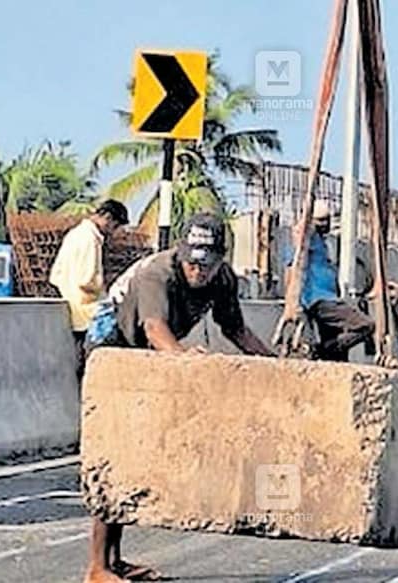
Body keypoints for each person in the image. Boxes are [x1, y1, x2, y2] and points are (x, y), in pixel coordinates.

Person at [81, 213, 273, 583]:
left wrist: (273, 366)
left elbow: (234, 328)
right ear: (181, 253)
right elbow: (154, 329)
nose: (197, 271)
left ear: (220, 261)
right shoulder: (158, 273)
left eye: (207, 264)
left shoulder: (223, 280)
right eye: (192, 262)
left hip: (147, 358)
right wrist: (183, 361)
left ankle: (115, 560)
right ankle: (97, 567)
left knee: (132, 460)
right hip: (110, 353)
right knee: (112, 456)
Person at [49, 200, 129, 380]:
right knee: (93, 365)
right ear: (108, 219)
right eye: (115, 226)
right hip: (87, 313)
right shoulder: (90, 239)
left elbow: (55, 274)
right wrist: (104, 290)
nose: (114, 232)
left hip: (71, 309)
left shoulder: (75, 234)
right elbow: (86, 280)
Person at [287, 200, 374, 361]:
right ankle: (320, 351)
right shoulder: (306, 237)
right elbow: (292, 267)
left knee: (338, 351)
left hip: (329, 297)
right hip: (319, 299)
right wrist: (292, 301)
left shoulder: (322, 242)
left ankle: (324, 354)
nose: (326, 224)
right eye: (321, 220)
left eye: (327, 219)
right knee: (365, 325)